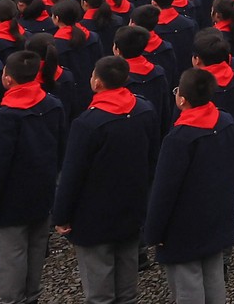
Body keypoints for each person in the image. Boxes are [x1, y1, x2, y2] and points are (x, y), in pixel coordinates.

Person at [52, 53, 159, 304]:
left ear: (97, 83)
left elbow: (73, 173)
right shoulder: (145, 110)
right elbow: (153, 157)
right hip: (132, 206)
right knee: (128, 286)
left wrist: (61, 215)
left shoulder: (88, 123)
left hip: (94, 215)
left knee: (99, 290)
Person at [143, 67, 234, 304]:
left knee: (188, 283)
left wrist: (154, 231)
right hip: (216, 212)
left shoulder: (179, 138)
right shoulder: (226, 121)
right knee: (214, 275)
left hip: (184, 223)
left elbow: (164, 189)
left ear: (182, 99)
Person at [0, 50, 67, 304]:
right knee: (36, 251)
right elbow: (61, 148)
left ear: (8, 78)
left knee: (9, 259)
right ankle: (31, 297)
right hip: (42, 192)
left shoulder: (5, 116)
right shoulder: (53, 104)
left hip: (9, 199)